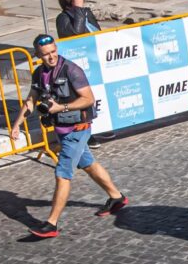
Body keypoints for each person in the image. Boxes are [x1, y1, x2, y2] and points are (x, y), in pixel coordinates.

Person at [19, 32, 129, 241]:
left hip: (78, 128)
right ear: (37, 55)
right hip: (62, 129)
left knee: (63, 173)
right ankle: (117, 197)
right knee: (88, 164)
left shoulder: (71, 70)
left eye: (53, 52)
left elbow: (88, 99)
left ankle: (51, 223)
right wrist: (16, 126)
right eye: (45, 54)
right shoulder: (39, 73)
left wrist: (62, 107)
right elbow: (30, 101)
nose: (50, 57)